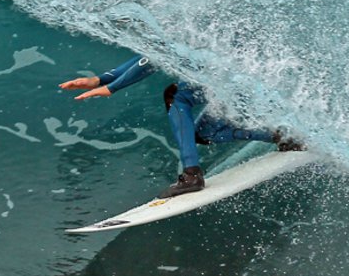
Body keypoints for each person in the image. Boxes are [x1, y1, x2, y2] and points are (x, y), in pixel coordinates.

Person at [60, 55, 304, 198]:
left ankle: (191, 175)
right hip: (252, 77)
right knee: (203, 133)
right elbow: (147, 55)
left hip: (238, 80)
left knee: (176, 96)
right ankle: (281, 136)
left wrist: (113, 87)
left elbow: (155, 57)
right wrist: (101, 79)